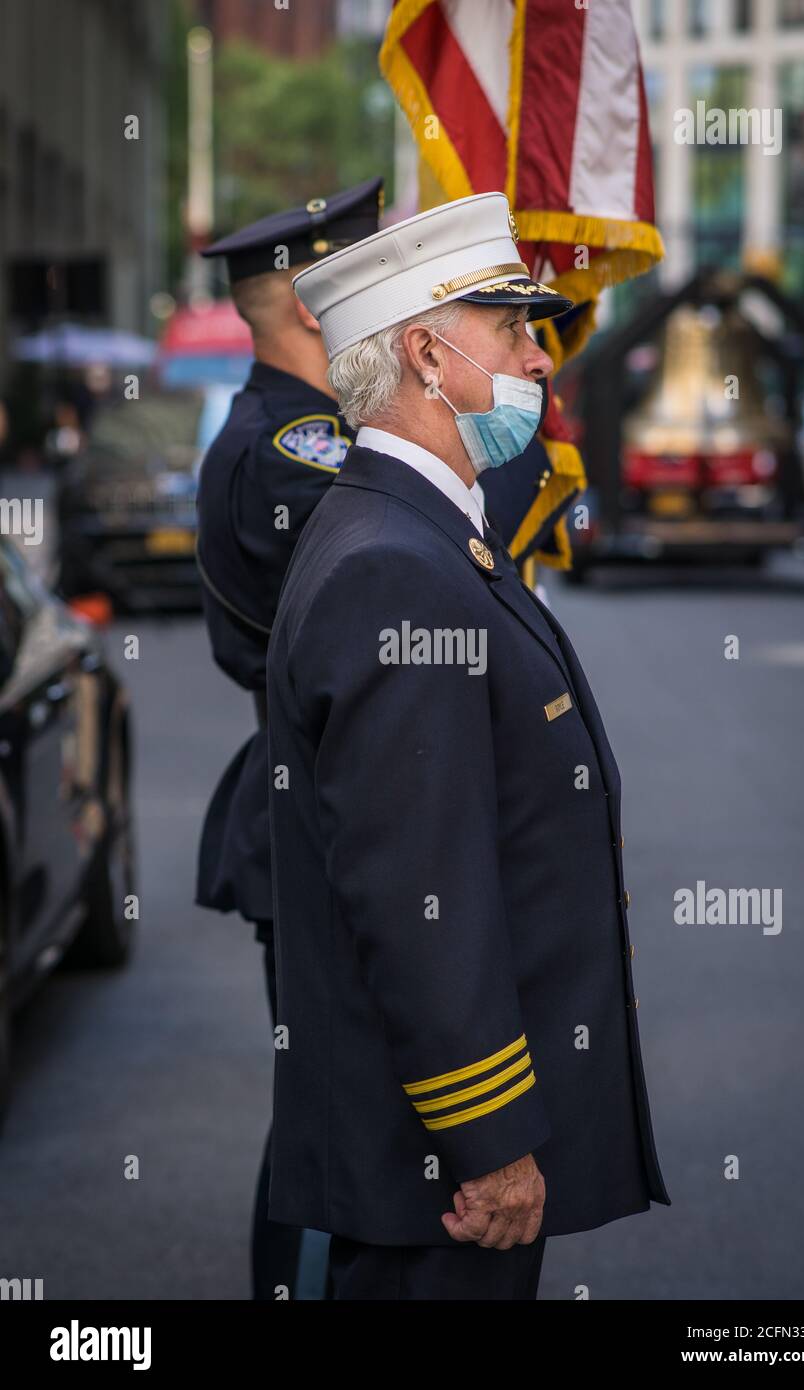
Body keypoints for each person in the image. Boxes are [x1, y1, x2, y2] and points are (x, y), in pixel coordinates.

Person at [265, 191, 672, 1301]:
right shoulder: (391, 563)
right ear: (426, 355)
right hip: (442, 1169)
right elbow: (418, 890)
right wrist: (488, 1137)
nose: (541, 359)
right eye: (512, 331)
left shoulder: (421, 536)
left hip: (431, 1151)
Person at [196, 183, 584, 1299]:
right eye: (512, 331)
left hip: (347, 789)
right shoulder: (296, 454)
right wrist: (493, 432)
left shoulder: (323, 453)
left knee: (352, 1137)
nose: (536, 357)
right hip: (340, 806)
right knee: (356, 1154)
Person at [195, 178, 385, 1300]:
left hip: (320, 806)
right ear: (319, 310)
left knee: (343, 1114)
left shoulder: (306, 436)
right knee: (336, 1126)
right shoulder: (290, 451)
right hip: (322, 817)